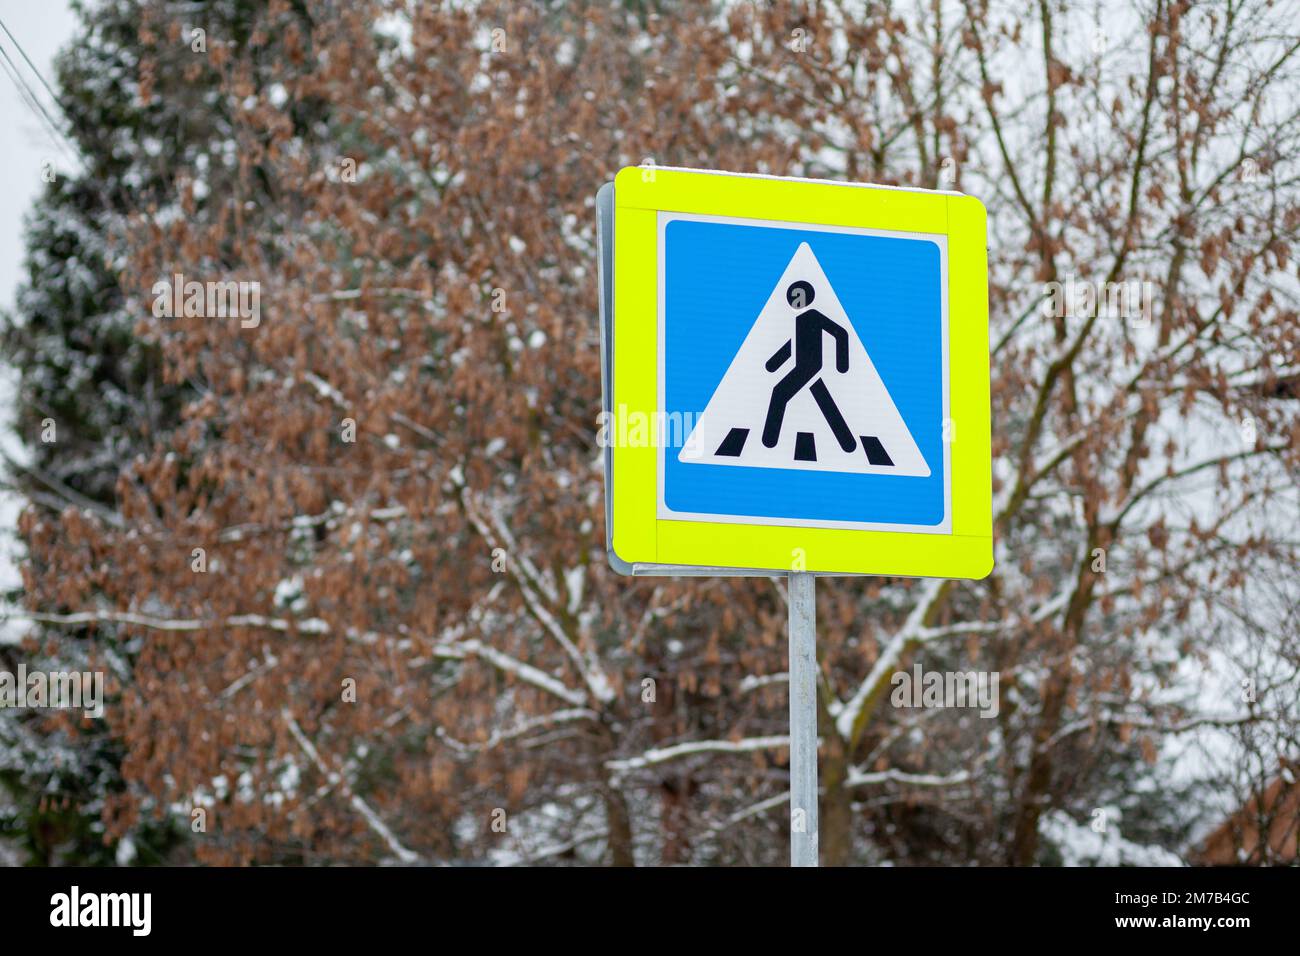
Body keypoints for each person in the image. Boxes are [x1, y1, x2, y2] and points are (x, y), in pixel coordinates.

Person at [761, 280, 856, 452]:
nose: (796, 301)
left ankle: (768, 440)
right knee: (824, 400)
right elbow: (794, 345)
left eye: (798, 297)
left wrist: (842, 365)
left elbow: (840, 333)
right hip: (806, 366)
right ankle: (848, 443)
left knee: (780, 393)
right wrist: (774, 363)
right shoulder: (799, 320)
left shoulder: (813, 315)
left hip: (810, 366)